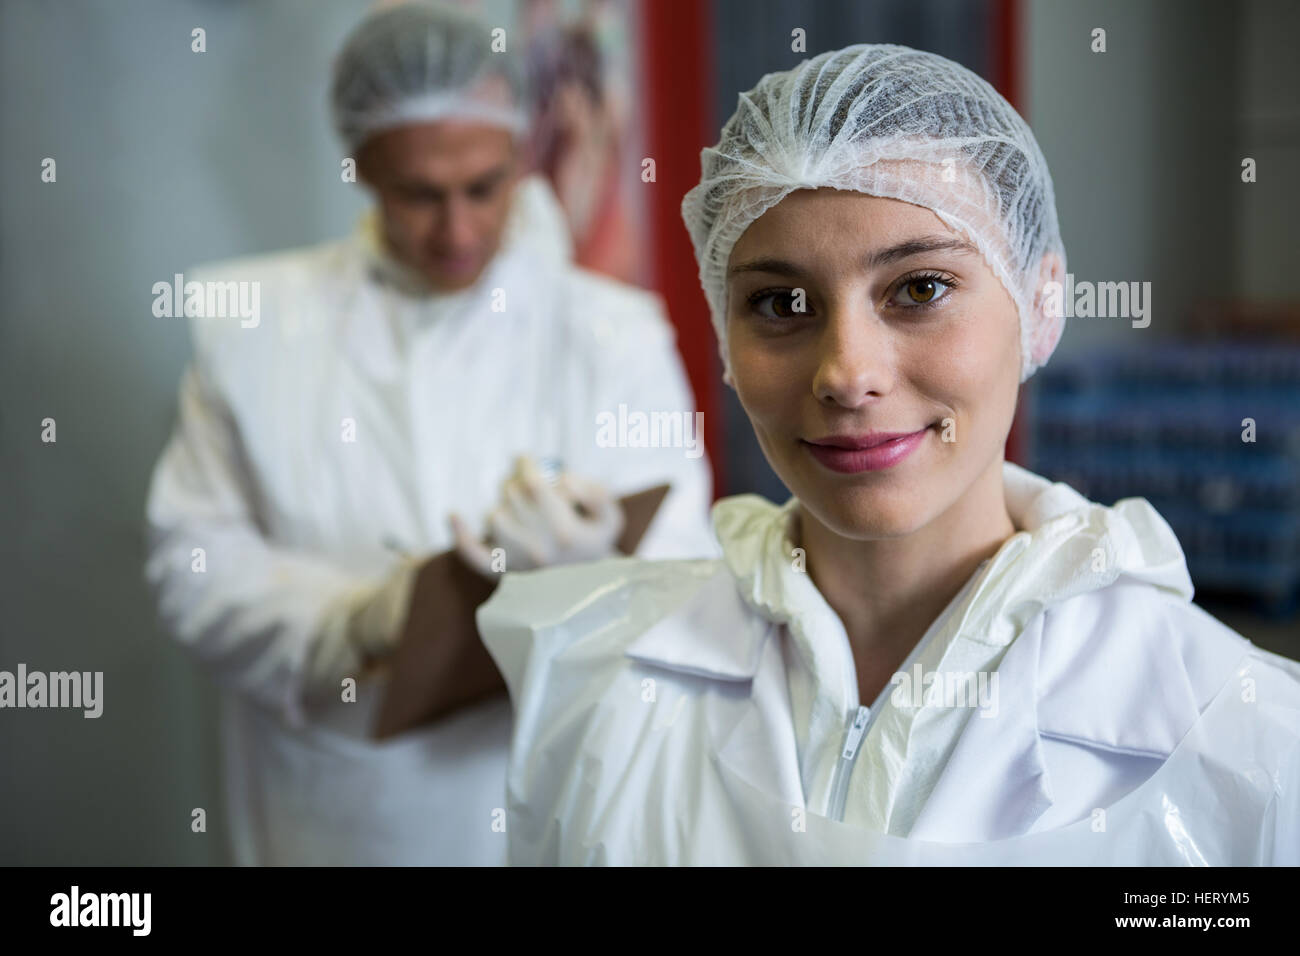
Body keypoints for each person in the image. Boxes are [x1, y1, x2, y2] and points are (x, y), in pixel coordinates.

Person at [475, 44, 1300, 865]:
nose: (847, 374)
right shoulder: (593, 685)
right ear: (726, 337)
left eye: (920, 289)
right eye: (780, 303)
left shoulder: (1241, 743)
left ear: (1039, 299)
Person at [143, 1, 716, 866]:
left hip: (559, 797)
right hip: (351, 816)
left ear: (521, 155)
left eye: (483, 187)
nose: (457, 230)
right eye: (417, 195)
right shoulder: (254, 332)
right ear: (360, 169)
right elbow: (192, 567)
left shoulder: (611, 333)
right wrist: (357, 622)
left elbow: (689, 577)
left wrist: (593, 574)